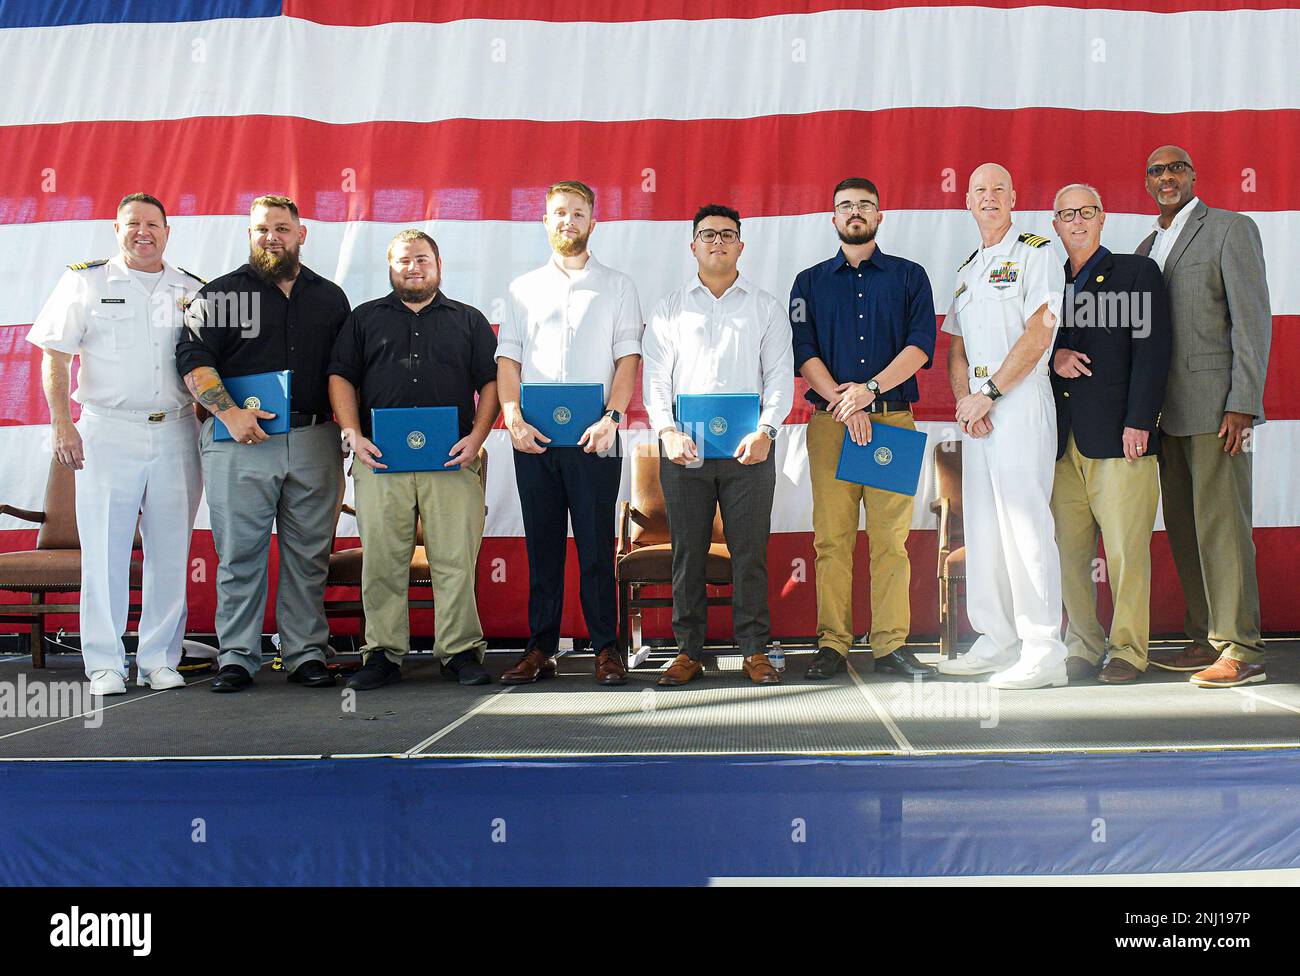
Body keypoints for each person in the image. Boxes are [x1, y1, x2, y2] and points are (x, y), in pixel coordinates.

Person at [27, 193, 205, 695]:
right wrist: (62, 423)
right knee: (103, 549)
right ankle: (105, 662)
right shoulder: (85, 280)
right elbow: (56, 357)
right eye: (133, 223)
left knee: (171, 549)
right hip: (107, 430)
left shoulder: (192, 289)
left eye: (153, 224)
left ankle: (160, 659)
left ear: (168, 231)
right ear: (116, 228)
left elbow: (206, 365)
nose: (142, 232)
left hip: (175, 429)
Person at [176, 195, 350, 693]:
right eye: (260, 229)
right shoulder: (220, 294)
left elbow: (345, 371)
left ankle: (305, 653)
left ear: (301, 234)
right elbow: (191, 358)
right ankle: (237, 656)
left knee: (309, 555)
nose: (271, 236)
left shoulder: (331, 297)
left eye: (281, 227)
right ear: (248, 235)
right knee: (240, 554)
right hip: (238, 441)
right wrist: (228, 412)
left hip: (315, 439)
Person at [328, 230, 499, 688]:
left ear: (438, 264)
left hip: (452, 461)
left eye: (422, 259)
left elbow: (492, 383)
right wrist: (353, 434)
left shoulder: (469, 320)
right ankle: (382, 654)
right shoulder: (364, 319)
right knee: (382, 560)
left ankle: (460, 652)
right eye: (404, 260)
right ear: (390, 266)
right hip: (380, 461)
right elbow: (340, 377)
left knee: (455, 561)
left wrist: (478, 437)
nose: (413, 267)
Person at [789, 177, 937, 681]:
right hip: (831, 423)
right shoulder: (807, 283)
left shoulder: (910, 276)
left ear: (880, 216)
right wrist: (844, 401)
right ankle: (832, 643)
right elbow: (803, 352)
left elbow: (919, 347)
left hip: (892, 421)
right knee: (831, 540)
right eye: (846, 206)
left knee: (889, 540)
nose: (856, 212)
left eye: (865, 206)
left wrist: (868, 392)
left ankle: (890, 644)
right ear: (833, 218)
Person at [495, 180, 642, 686]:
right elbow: (508, 360)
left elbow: (628, 359)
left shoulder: (619, 285)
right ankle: (540, 649)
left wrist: (613, 419)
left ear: (592, 222)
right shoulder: (521, 288)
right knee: (543, 546)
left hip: (596, 440)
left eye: (578, 214)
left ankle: (607, 649)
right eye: (559, 213)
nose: (568, 222)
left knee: (597, 548)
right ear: (546, 222)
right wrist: (511, 416)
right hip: (532, 440)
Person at [1135, 146, 1272, 687]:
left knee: (1223, 529)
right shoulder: (1148, 246)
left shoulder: (1231, 229)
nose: (1166, 178)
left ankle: (1244, 648)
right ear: (1147, 183)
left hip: (1218, 408)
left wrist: (1244, 401)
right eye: (1157, 172)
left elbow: (1252, 319)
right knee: (1186, 529)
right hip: (1165, 412)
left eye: (1176, 169)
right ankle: (1205, 637)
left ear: (1193, 175)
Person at [643, 204, 793, 686]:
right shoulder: (669, 307)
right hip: (685, 452)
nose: (717, 242)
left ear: (740, 246)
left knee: (749, 552)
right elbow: (656, 380)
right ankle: (688, 651)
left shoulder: (765, 306)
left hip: (749, 453)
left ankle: (754, 650)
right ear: (693, 246)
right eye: (707, 235)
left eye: (727, 235)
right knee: (688, 552)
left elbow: (778, 377)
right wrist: (667, 430)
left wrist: (767, 430)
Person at [936, 163, 1069, 690]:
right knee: (987, 529)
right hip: (979, 411)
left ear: (1014, 196)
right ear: (967, 202)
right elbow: (957, 345)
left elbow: (1042, 327)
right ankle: (997, 639)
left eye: (998, 189)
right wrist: (967, 401)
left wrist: (990, 394)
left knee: (1026, 526)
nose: (989, 198)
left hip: (1018, 401)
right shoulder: (968, 268)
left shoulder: (1036, 250)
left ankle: (1044, 650)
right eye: (979, 191)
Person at [1048, 184, 1171, 685]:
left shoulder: (1137, 272)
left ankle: (1127, 651)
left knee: (1124, 552)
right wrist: (1054, 358)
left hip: (1122, 438)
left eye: (1086, 211)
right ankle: (1082, 644)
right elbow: (1031, 348)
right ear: (1054, 224)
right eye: (1066, 213)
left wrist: (1140, 420)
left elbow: (1153, 350)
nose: (1076, 220)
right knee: (1070, 555)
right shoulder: (1045, 281)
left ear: (1103, 218)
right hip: (1059, 442)